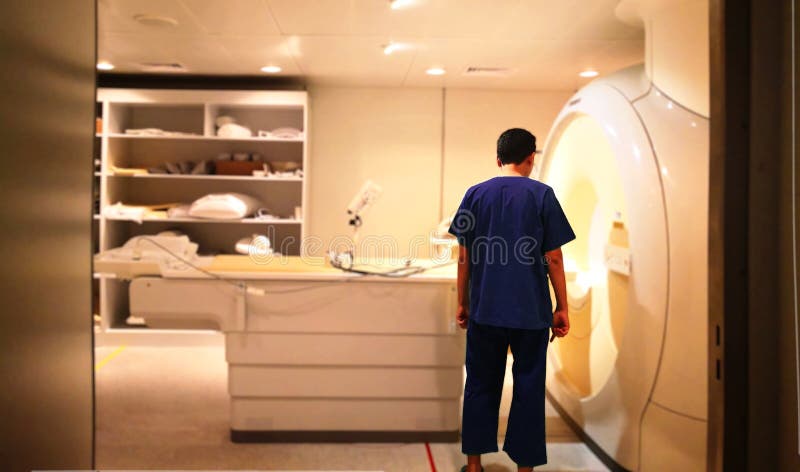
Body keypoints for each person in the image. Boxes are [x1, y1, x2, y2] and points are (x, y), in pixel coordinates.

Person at [448, 128, 575, 472]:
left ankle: (474, 466)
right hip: (531, 313)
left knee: (479, 383)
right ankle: (525, 469)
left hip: (485, 310)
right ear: (531, 158)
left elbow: (464, 258)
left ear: (498, 159)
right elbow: (555, 259)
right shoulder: (542, 195)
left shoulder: (473, 195)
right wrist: (561, 307)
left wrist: (463, 303)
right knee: (529, 388)